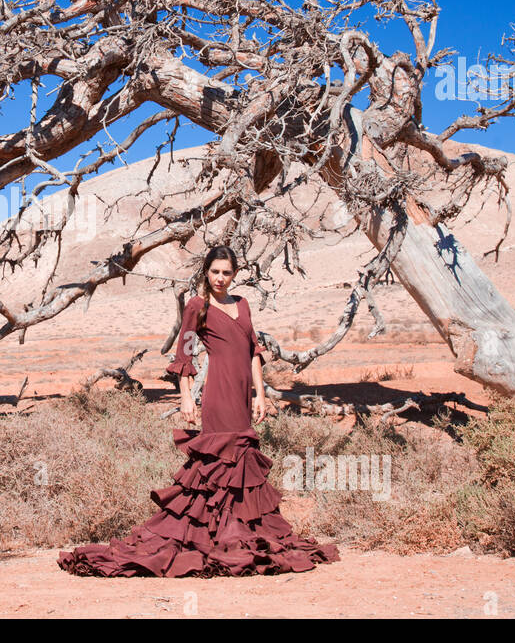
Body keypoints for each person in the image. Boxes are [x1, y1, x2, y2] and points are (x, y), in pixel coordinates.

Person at [57, 245, 341, 577]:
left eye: (227, 272)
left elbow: (252, 351)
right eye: (215, 271)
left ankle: (240, 531)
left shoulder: (243, 304)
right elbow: (186, 354)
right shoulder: (197, 306)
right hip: (218, 392)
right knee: (220, 459)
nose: (221, 278)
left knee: (243, 459)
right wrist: (187, 397)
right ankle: (217, 535)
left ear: (235, 273)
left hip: (242, 393)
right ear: (206, 272)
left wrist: (261, 395)